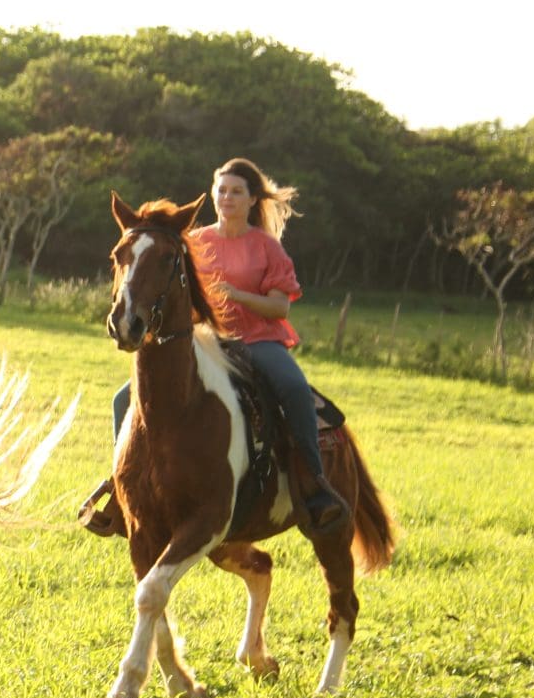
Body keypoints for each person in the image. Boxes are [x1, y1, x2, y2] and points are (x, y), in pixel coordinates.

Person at [81, 157, 350, 537]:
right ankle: (122, 488)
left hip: (258, 342)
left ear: (252, 199)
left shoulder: (267, 248)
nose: (227, 197)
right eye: (221, 190)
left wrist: (235, 294)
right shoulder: (195, 242)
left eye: (236, 191)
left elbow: (280, 305)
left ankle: (315, 485)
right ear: (213, 194)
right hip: (207, 343)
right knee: (124, 399)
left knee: (293, 389)